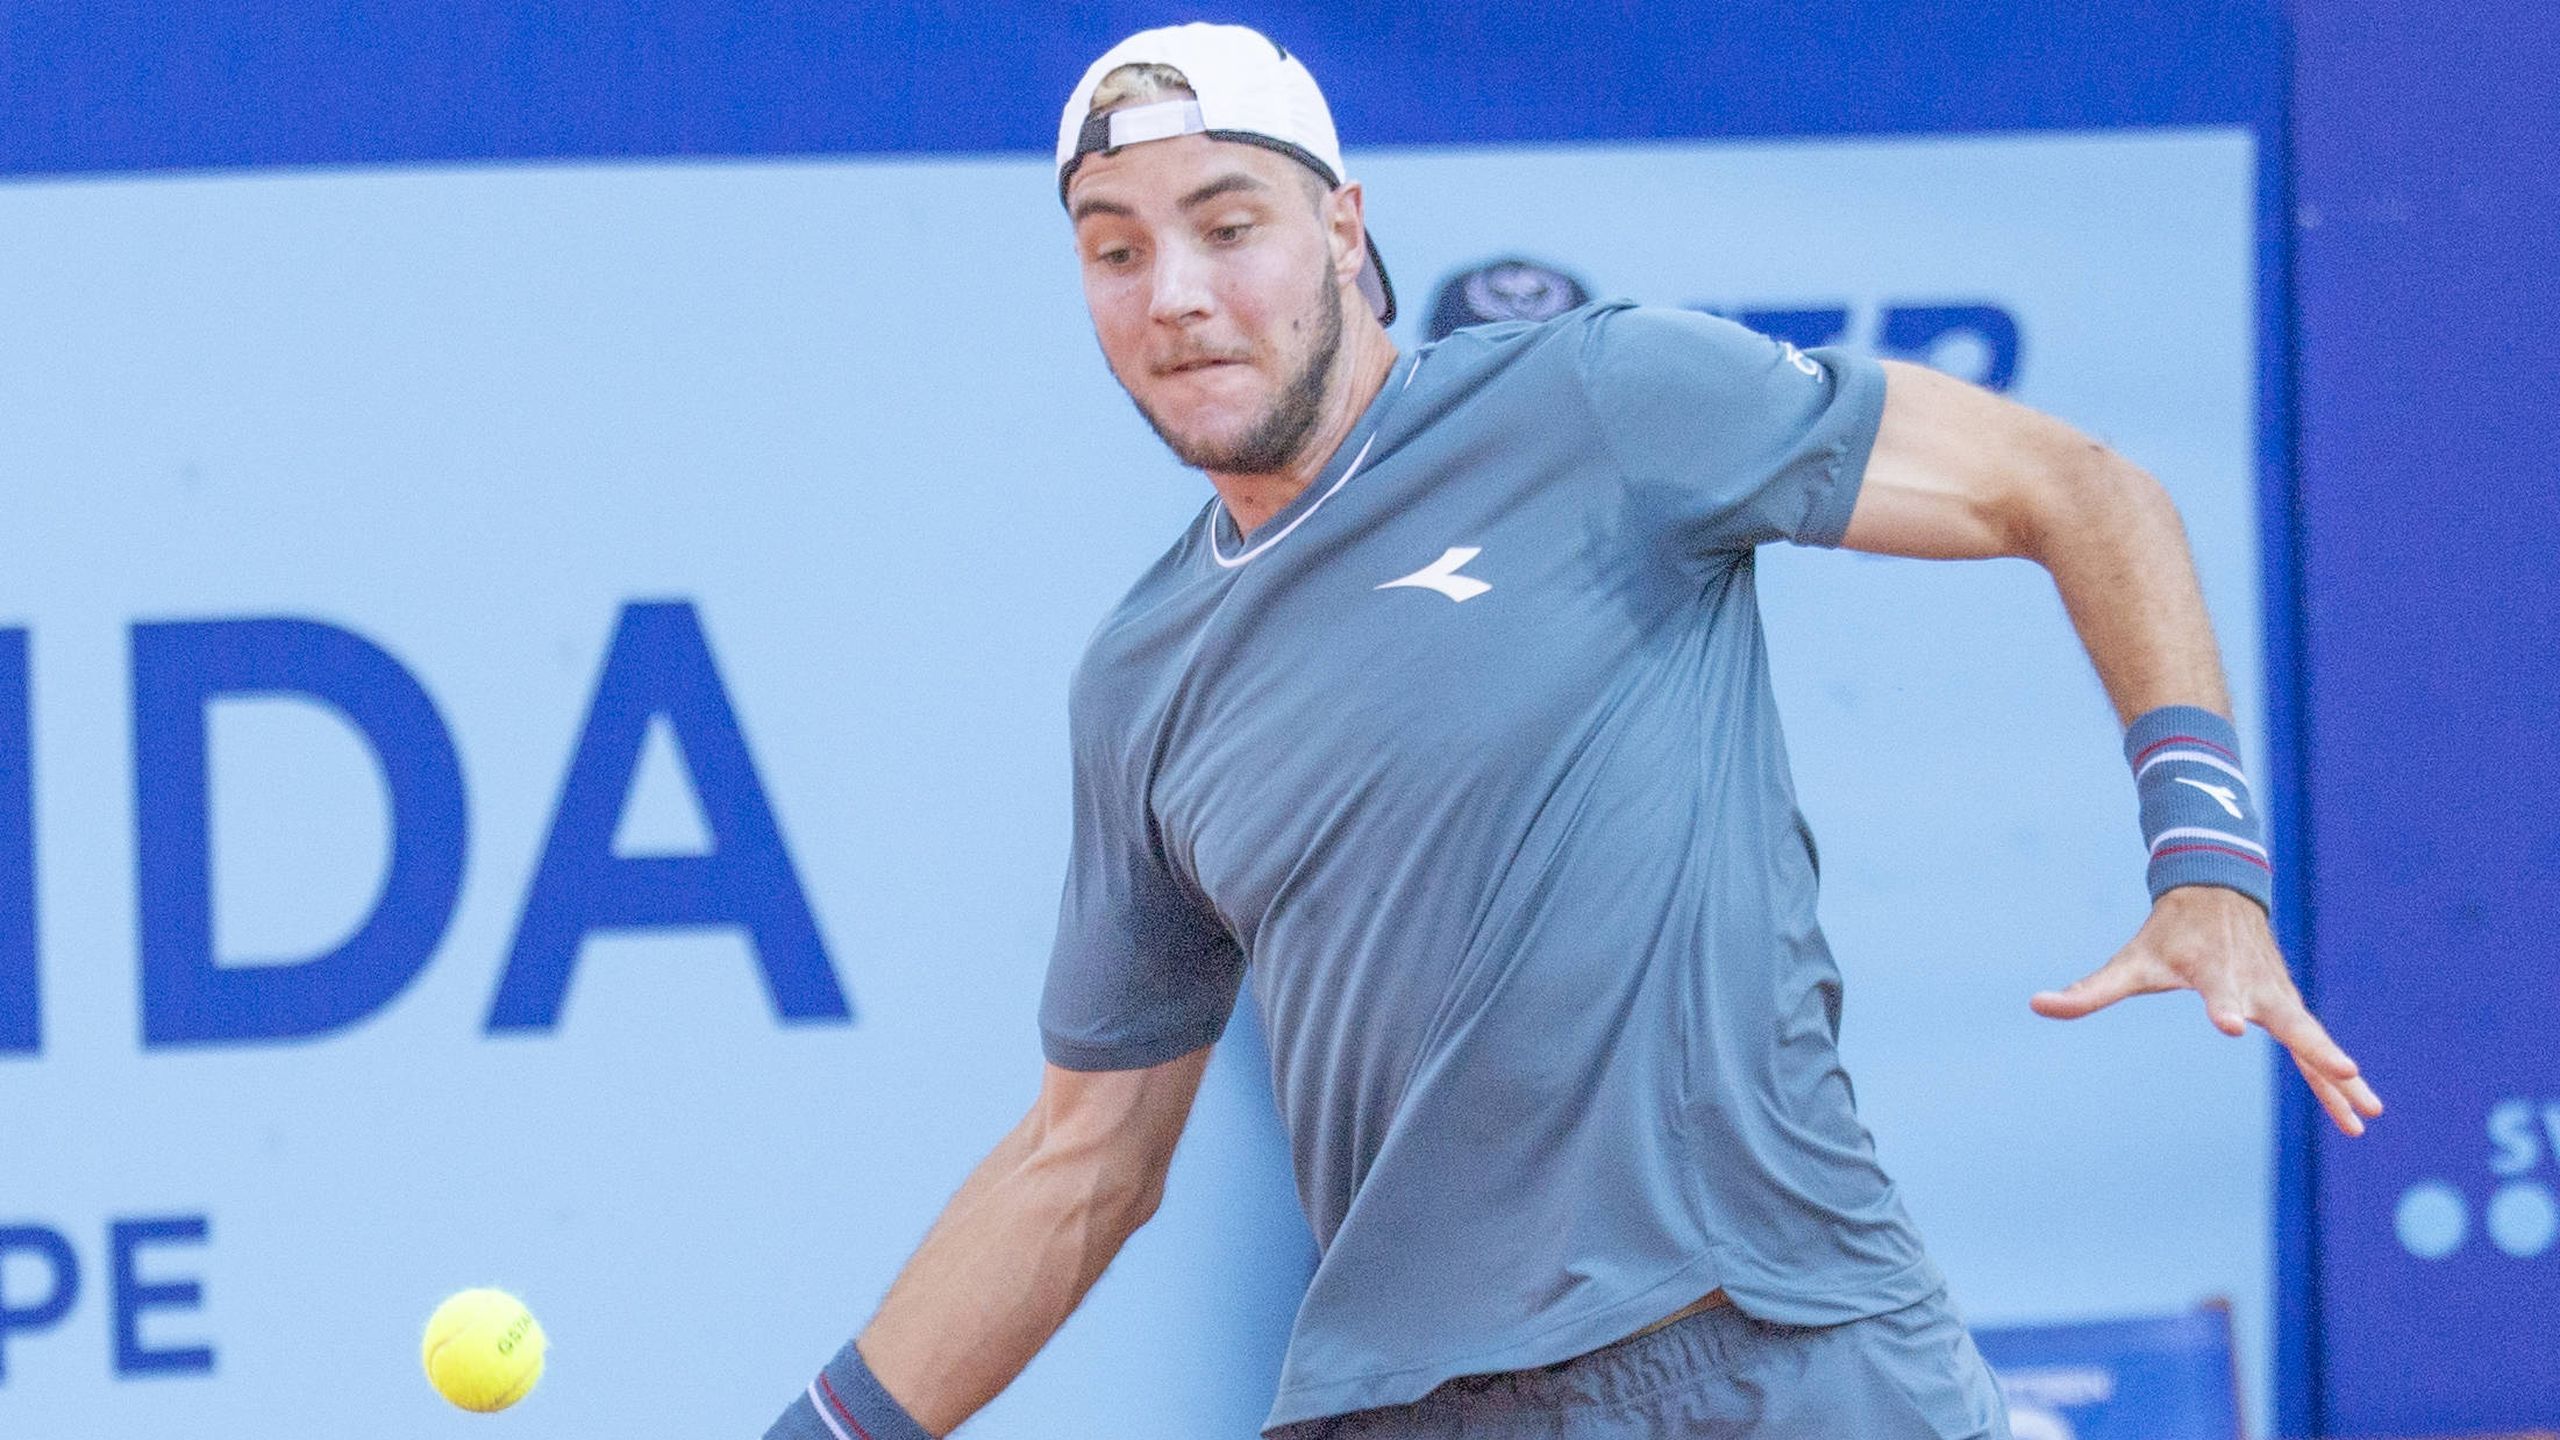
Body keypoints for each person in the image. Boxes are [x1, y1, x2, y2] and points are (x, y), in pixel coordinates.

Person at [768, 22, 2382, 1440]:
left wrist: (2209, 868)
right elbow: (1083, 1165)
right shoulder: (1143, 679)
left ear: (1342, 230)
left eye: (1226, 225)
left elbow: (2083, 490)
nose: (1175, 294)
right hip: (1405, 1401)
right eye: (1114, 250)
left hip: (1780, 1350)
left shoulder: (1593, 402)